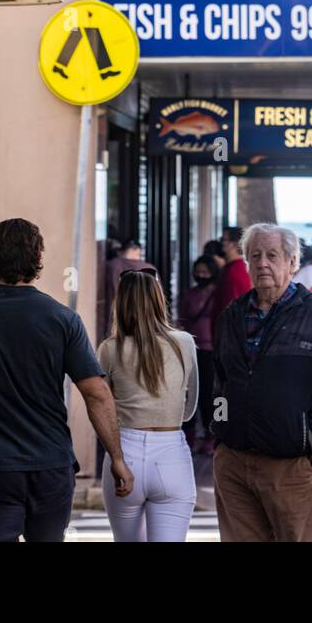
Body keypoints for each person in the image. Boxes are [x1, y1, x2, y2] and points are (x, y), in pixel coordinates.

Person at [0, 217, 133, 541]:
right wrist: (116, 458)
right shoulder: (63, 319)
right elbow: (96, 393)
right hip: (50, 463)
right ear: (38, 258)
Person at [212, 223, 312, 542]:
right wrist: (220, 432)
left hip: (293, 466)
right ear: (247, 262)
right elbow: (219, 383)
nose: (263, 263)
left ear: (292, 262)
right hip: (234, 463)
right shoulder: (232, 315)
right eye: (255, 256)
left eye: (272, 255)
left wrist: (308, 433)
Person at [98, 267, 198, 541]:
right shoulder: (185, 343)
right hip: (171, 453)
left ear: (122, 302)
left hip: (124, 452)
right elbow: (190, 408)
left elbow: (102, 407)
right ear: (158, 299)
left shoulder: (109, 348)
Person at [178, 254, 220, 454]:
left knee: (208, 396)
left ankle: (211, 437)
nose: (201, 275)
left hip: (211, 350)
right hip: (192, 349)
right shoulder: (189, 294)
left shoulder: (218, 293)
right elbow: (182, 319)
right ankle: (190, 436)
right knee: (189, 394)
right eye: (199, 271)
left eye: (206, 271)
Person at [210, 225, 251, 336]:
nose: (221, 243)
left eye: (223, 240)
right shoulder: (233, 269)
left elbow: (232, 310)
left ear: (234, 243)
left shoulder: (235, 272)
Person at [105, 239, 151, 331]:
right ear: (138, 251)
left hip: (114, 317)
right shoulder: (149, 269)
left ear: (122, 251)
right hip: (142, 319)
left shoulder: (110, 266)